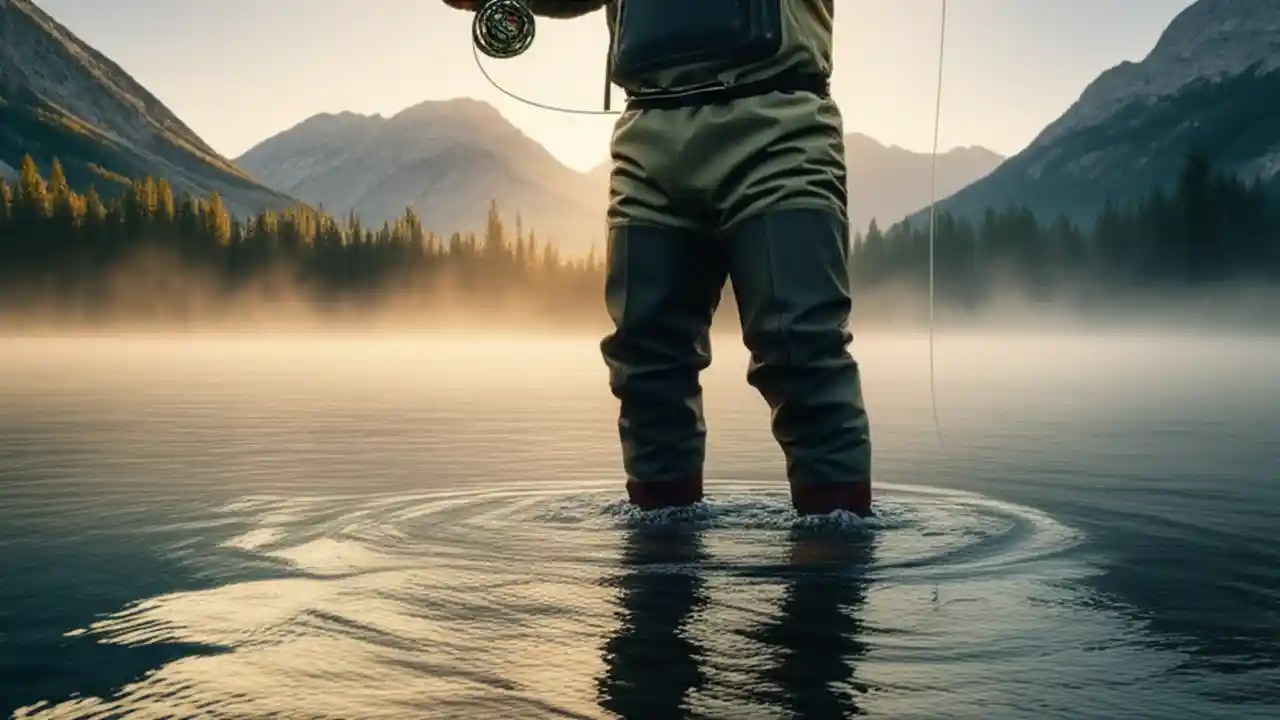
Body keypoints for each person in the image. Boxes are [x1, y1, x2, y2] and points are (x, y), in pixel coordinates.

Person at [444, 0, 872, 517]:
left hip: (779, 121)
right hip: (647, 131)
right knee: (645, 362)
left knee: (802, 347)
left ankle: (835, 574)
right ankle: (657, 572)